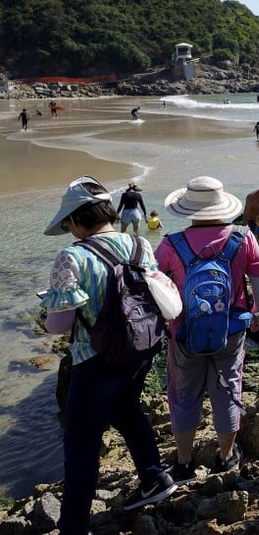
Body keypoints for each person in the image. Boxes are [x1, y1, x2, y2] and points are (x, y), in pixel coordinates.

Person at [39, 175, 176, 533]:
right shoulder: (138, 245)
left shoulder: (72, 256)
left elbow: (59, 325)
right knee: (126, 409)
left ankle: (73, 526)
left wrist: (47, 311)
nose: (68, 229)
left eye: (68, 222)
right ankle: (153, 478)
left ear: (78, 218)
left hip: (96, 359)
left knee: (81, 442)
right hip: (141, 346)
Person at [154, 176, 259, 483]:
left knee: (184, 394)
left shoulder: (170, 244)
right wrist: (258, 312)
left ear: (188, 209)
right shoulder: (243, 239)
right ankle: (226, 458)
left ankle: (184, 463)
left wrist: (165, 323)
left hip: (185, 334)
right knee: (228, 388)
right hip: (230, 332)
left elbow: (152, 285)